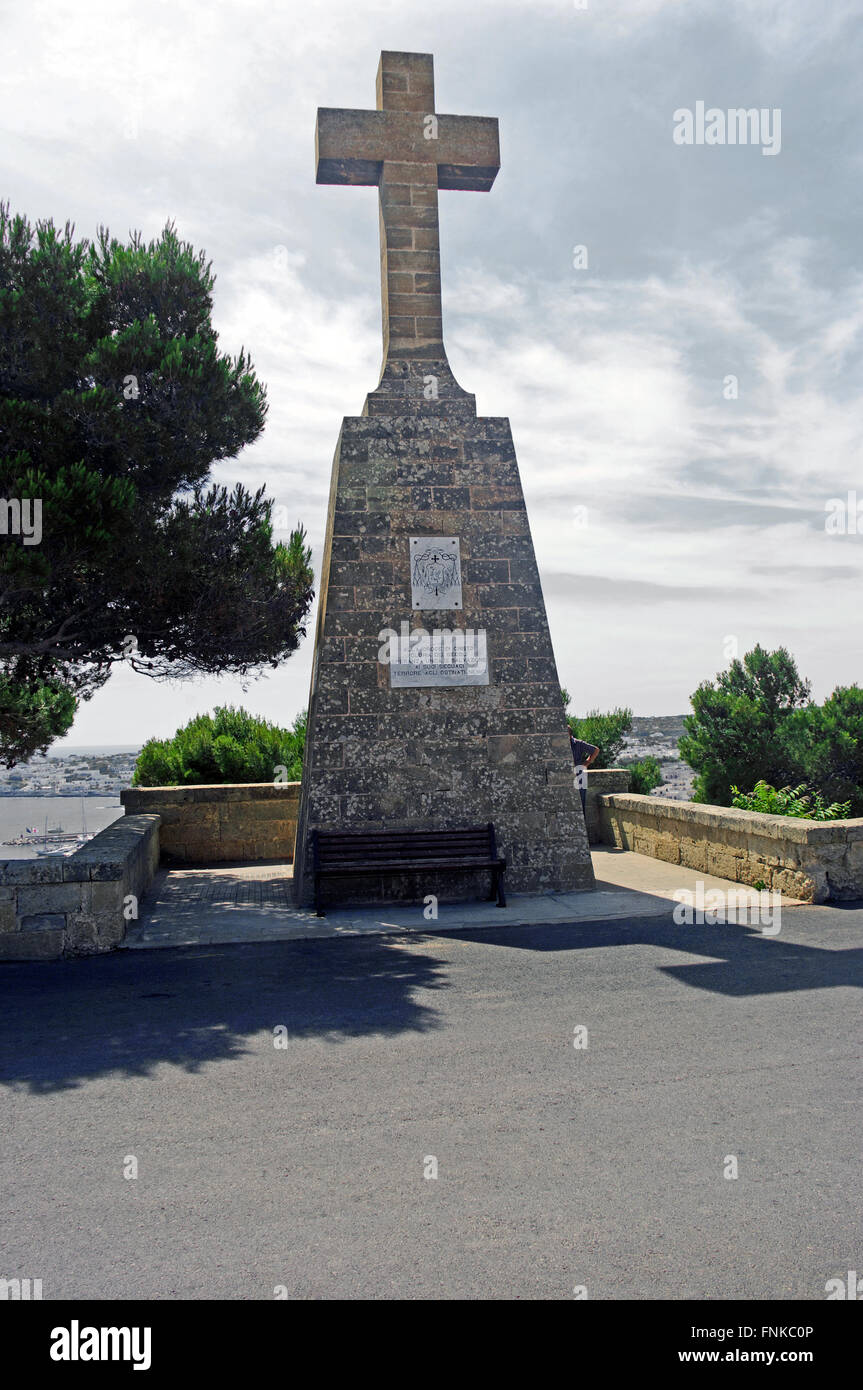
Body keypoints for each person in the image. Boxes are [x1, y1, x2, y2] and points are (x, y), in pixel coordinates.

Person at [569, 731, 599, 817]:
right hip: (567, 777)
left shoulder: (578, 743)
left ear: (569, 734)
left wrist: (585, 764)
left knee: (580, 805)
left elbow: (595, 750)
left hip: (579, 776)